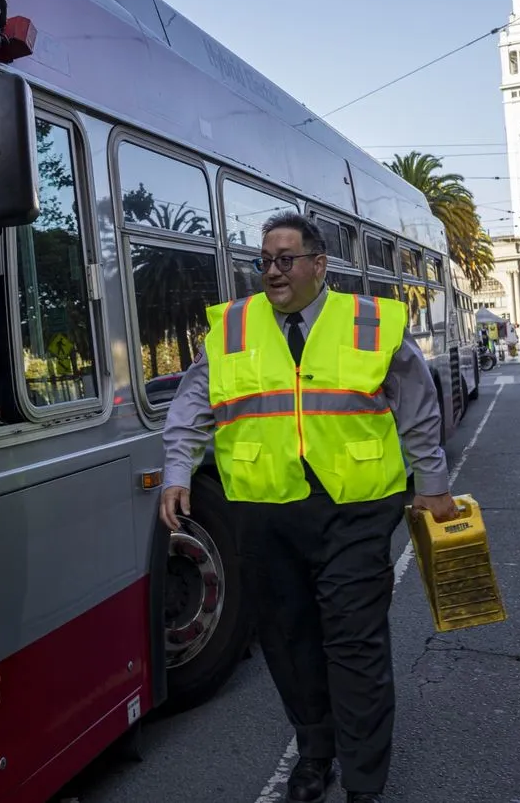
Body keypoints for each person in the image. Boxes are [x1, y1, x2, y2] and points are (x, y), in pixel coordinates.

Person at [159, 211, 457, 803]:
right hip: (263, 508)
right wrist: (176, 470)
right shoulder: (232, 326)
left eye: (285, 259)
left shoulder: (368, 321)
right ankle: (316, 753)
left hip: (356, 507)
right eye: (265, 261)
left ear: (319, 265)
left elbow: (417, 404)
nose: (273, 271)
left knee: (354, 643)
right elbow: (193, 402)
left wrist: (432, 481)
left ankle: (364, 781)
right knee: (288, 641)